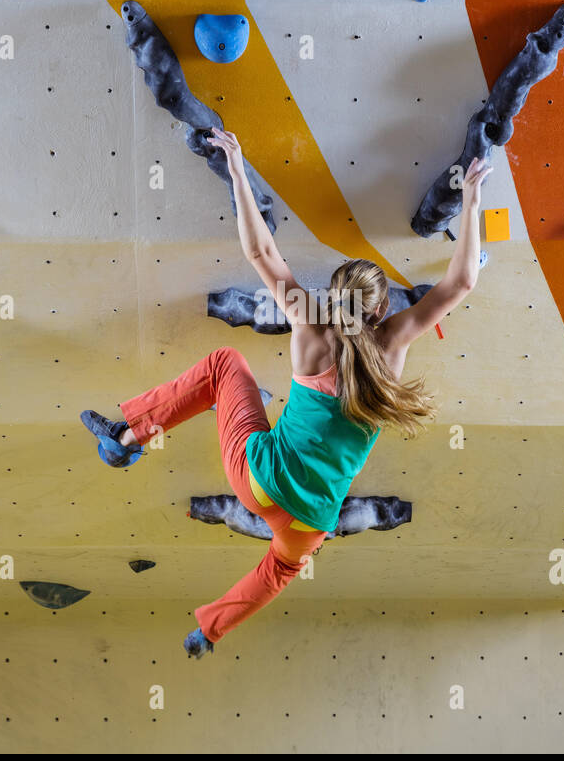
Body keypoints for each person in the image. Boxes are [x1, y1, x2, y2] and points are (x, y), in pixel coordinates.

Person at [81, 128, 490, 657]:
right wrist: (471, 200)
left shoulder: (310, 320)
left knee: (225, 365)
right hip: (309, 520)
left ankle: (128, 436)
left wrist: (236, 164)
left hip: (265, 480)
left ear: (333, 294)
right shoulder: (394, 342)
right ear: (383, 307)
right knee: (278, 569)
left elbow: (259, 250)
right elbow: (460, 284)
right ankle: (206, 632)